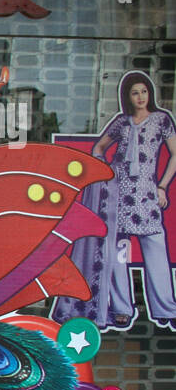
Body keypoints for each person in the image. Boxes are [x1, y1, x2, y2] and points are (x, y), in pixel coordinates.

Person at [63, 71, 176, 330]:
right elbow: (98, 149)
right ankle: (123, 308)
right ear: (128, 96)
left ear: (150, 94)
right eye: (135, 92)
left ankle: (166, 308)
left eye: (144, 91)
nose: (140, 97)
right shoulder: (121, 122)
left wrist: (162, 187)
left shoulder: (161, 120)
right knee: (118, 256)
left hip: (148, 195)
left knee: (157, 252)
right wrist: (105, 177)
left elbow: (175, 154)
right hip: (119, 197)